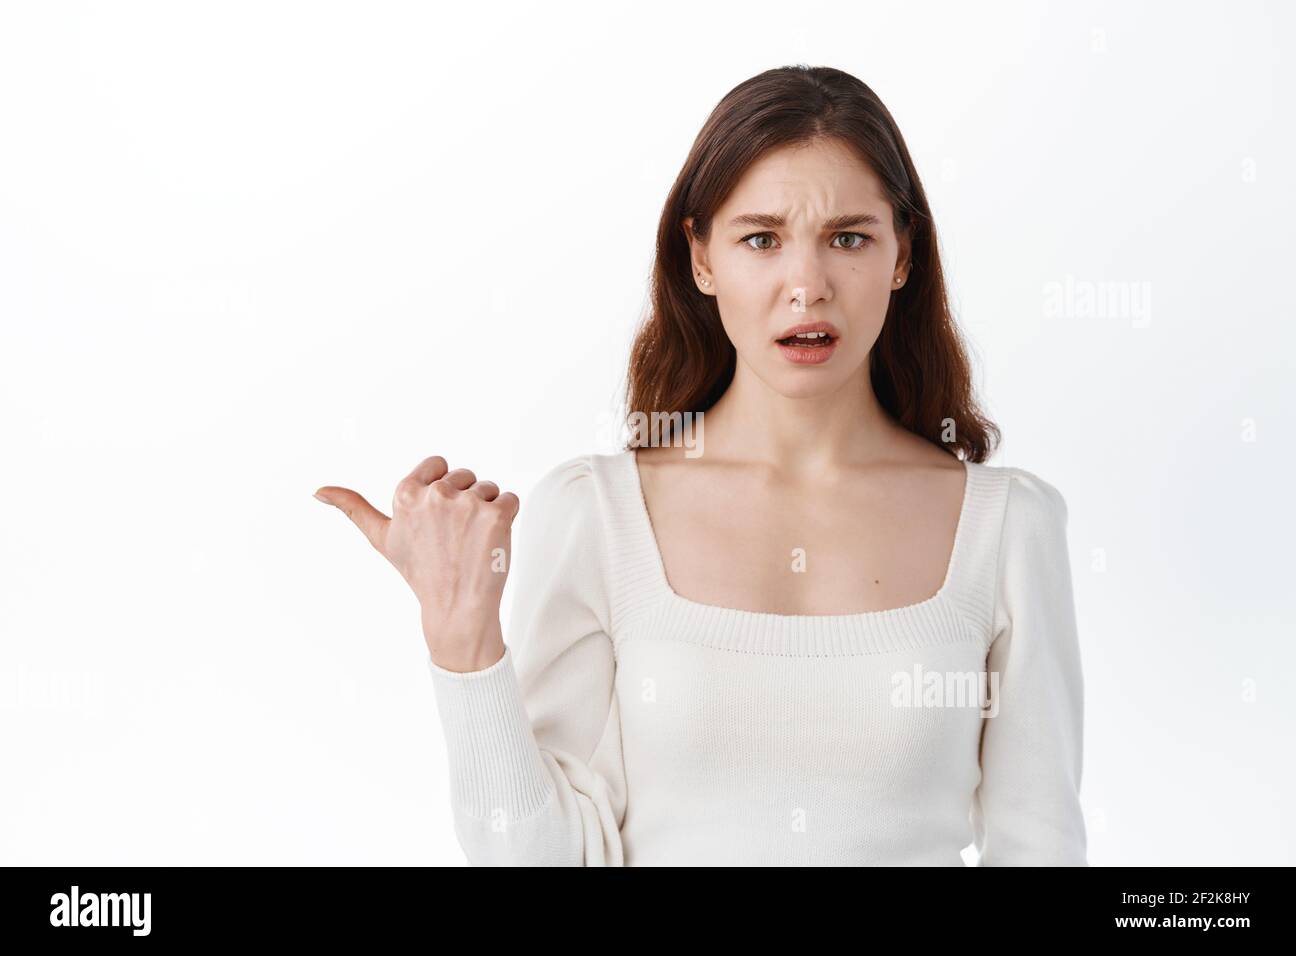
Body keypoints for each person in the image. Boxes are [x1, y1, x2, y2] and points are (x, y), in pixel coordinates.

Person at [314, 64, 1088, 866]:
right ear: (702, 258)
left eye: (849, 237)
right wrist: (461, 636)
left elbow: (1042, 846)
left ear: (903, 255)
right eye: (761, 239)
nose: (807, 286)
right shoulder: (598, 514)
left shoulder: (1007, 525)